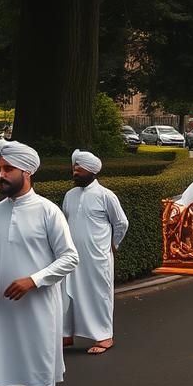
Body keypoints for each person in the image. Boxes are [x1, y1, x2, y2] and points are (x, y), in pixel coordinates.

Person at [0, 139, 80, 386]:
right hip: (1, 314)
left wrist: (33, 280)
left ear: (28, 172)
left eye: (8, 169)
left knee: (40, 383)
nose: (1, 174)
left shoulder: (48, 212)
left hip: (39, 313)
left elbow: (70, 258)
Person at [62, 149, 129, 356]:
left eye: (79, 168)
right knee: (68, 293)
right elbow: (65, 221)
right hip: (72, 256)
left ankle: (104, 336)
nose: (75, 172)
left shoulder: (105, 195)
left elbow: (121, 223)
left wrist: (113, 245)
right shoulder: (70, 195)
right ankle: (66, 334)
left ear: (91, 171)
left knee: (99, 294)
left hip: (97, 257)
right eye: (74, 168)